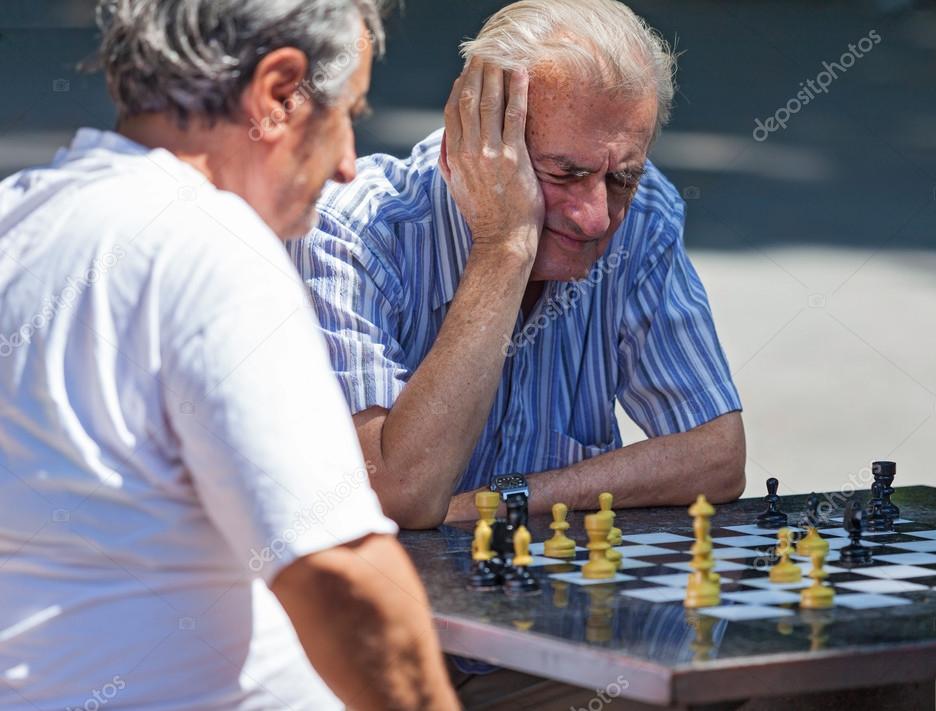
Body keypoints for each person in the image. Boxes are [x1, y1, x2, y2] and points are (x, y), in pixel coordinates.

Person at [0, 1, 456, 709]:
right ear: (278, 93)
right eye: (348, 115)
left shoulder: (17, 217)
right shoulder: (208, 243)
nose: (347, 165)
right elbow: (342, 577)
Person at [289, 0, 747, 530]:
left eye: (620, 178)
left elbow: (717, 455)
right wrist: (503, 244)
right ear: (472, 147)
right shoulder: (347, 230)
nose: (595, 217)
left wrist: (507, 498)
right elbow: (397, 494)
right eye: (564, 174)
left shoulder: (643, 211)